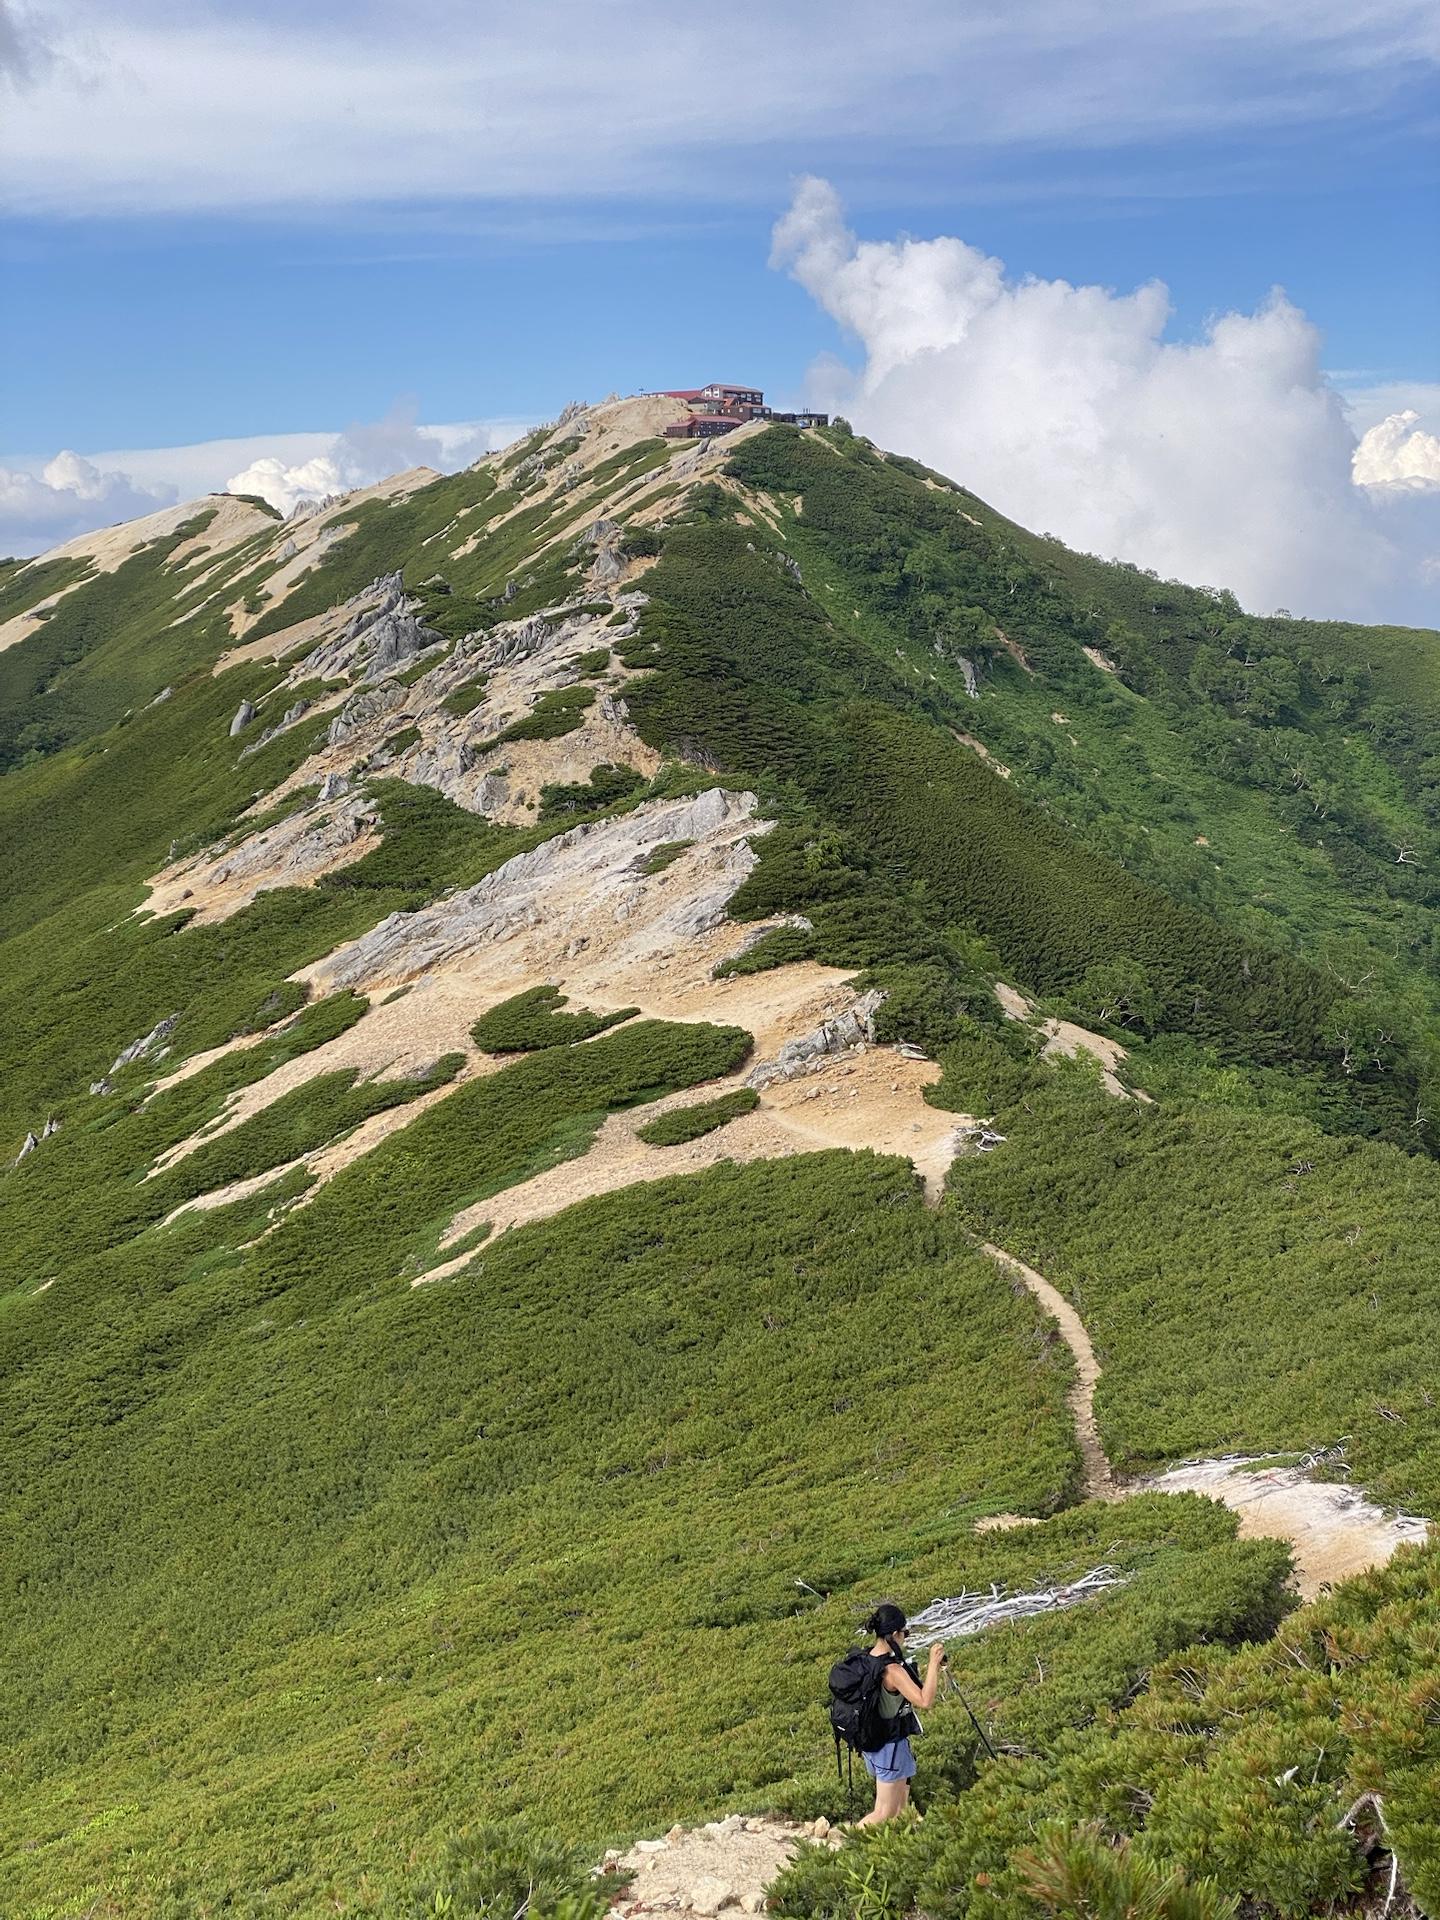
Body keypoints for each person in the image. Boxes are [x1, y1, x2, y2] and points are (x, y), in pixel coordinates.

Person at [857, 1602, 947, 1826]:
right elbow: (924, 1700)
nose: (905, 1638)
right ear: (895, 1634)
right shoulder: (892, 1670)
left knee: (900, 1810)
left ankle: (890, 1844)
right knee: (884, 1813)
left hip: (872, 1742)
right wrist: (933, 1664)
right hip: (889, 1745)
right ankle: (851, 1842)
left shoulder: (866, 1658)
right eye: (905, 1633)